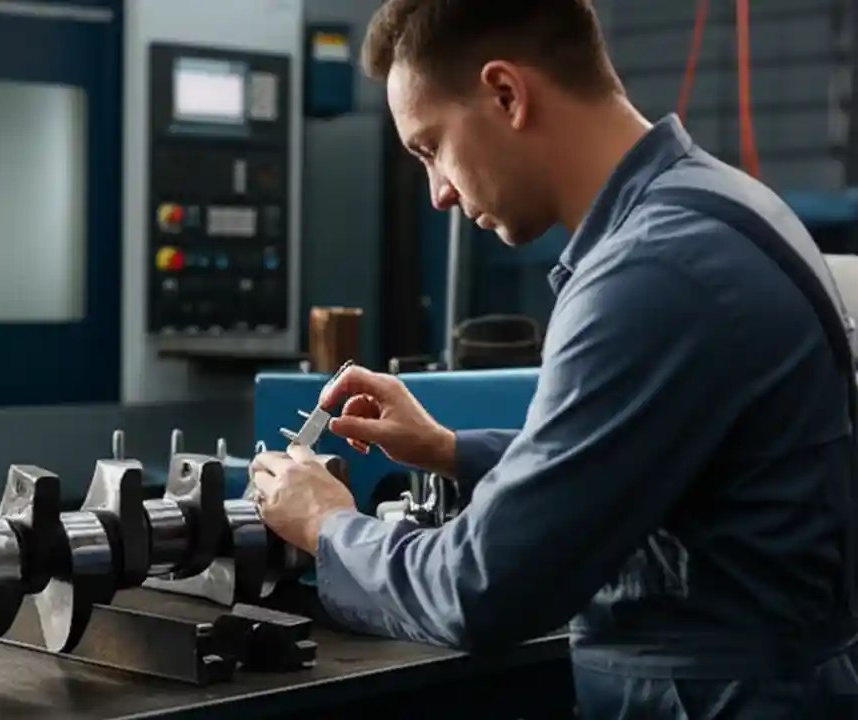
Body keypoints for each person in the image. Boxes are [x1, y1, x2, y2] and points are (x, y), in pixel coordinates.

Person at [249, 0, 858, 716]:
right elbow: (648, 455)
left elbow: (482, 589)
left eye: (430, 147)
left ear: (506, 94)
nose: (439, 192)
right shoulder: (715, 205)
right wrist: (448, 450)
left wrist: (327, 526)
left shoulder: (650, 271)